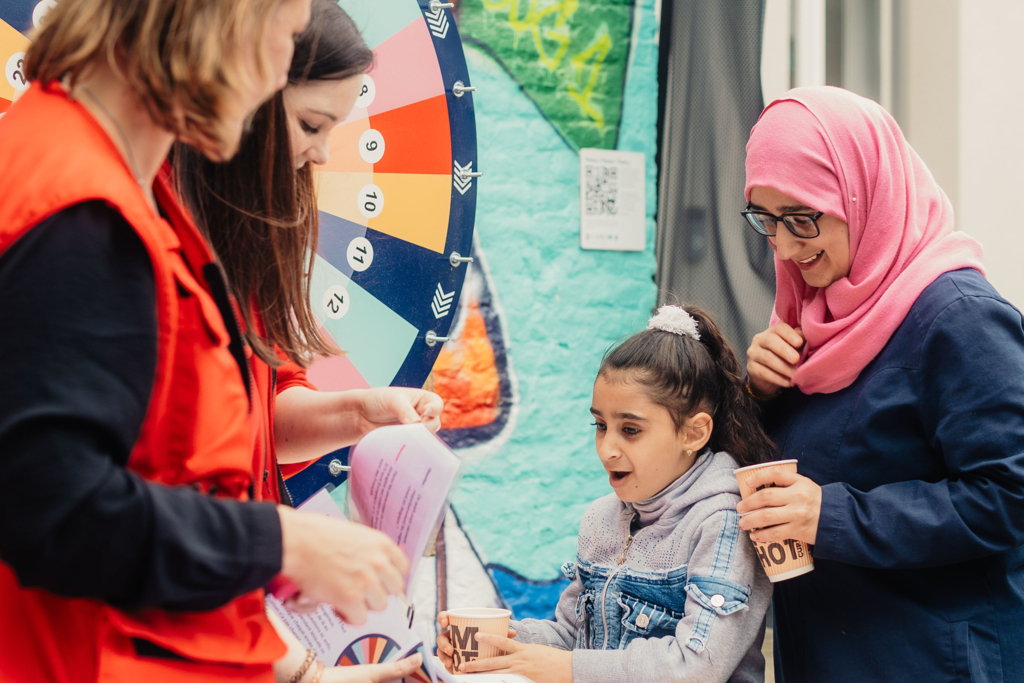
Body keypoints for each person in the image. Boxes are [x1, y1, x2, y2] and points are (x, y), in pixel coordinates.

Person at [0, 1, 409, 681]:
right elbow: (57, 508)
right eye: (284, 37)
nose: (279, 68)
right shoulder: (82, 208)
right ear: (227, 22)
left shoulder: (100, 181)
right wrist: (278, 543)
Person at [737, 86, 1024, 682]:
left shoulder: (958, 316)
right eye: (765, 220)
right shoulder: (813, 318)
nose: (785, 248)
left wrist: (832, 516)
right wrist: (759, 398)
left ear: (860, 191)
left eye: (801, 217)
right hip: (829, 654)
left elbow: (1009, 494)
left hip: (932, 660)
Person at [175, 0, 442, 508]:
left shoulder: (249, 232)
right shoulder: (144, 226)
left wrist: (360, 416)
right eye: (311, 124)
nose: (320, 154)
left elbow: (261, 416)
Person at [436, 306, 775, 683]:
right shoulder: (600, 518)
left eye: (630, 430)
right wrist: (503, 645)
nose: (606, 448)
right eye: (600, 425)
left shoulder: (725, 520)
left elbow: (696, 666)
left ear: (693, 433)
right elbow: (571, 639)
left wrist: (567, 668)